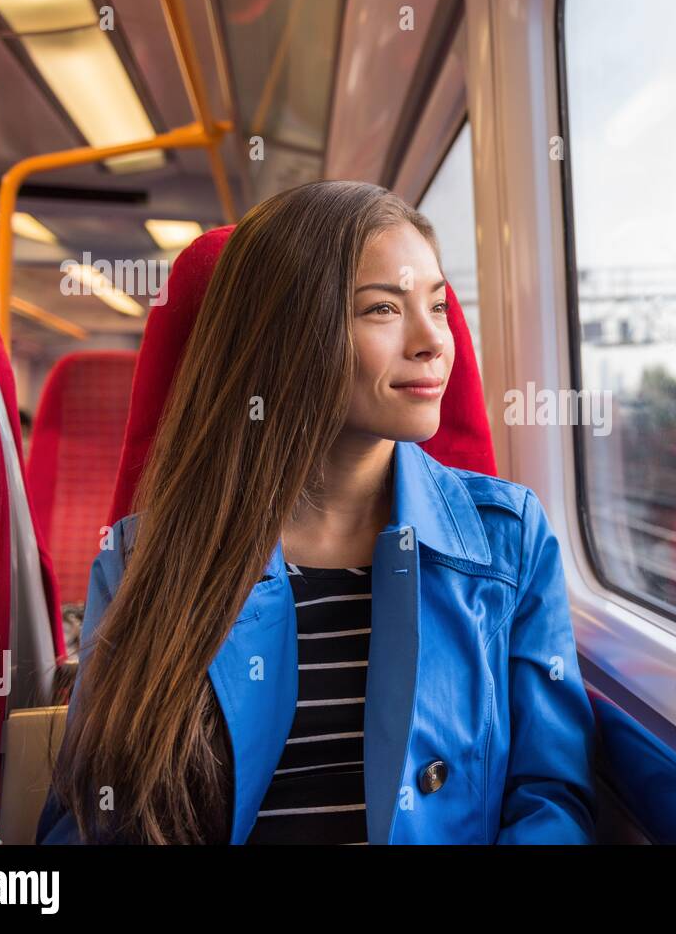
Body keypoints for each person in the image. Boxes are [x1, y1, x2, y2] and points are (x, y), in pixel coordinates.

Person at [34, 180, 597, 844]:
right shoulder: (143, 557)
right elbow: (93, 820)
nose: (433, 342)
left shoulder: (511, 540)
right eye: (384, 309)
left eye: (439, 307)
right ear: (289, 336)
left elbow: (551, 802)